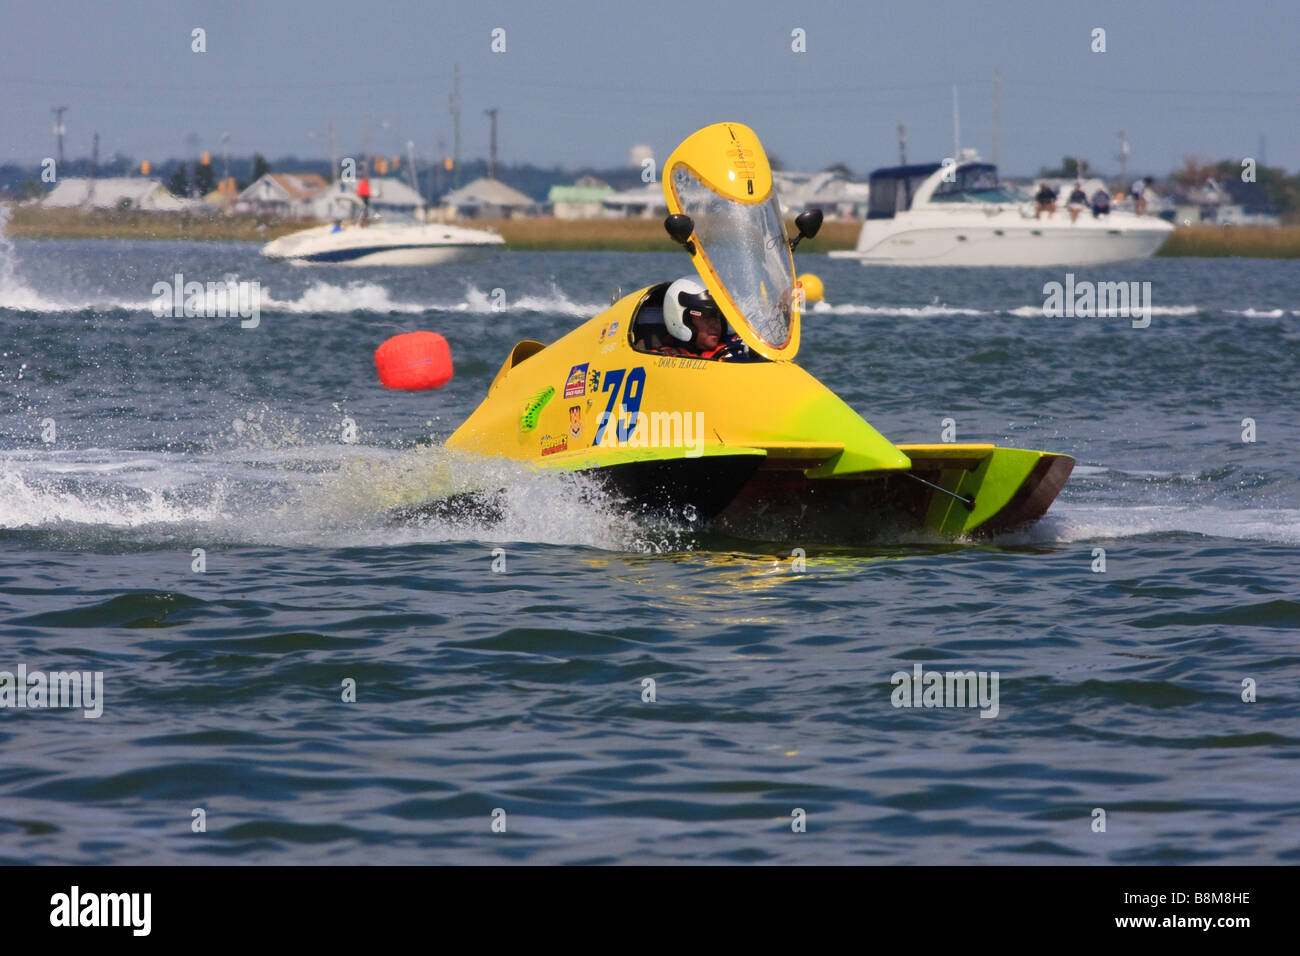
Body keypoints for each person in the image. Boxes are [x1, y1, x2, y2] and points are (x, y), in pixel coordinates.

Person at [658, 277, 747, 360]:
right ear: (683, 318)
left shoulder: (739, 345)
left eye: (719, 315)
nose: (715, 324)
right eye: (706, 315)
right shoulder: (664, 359)